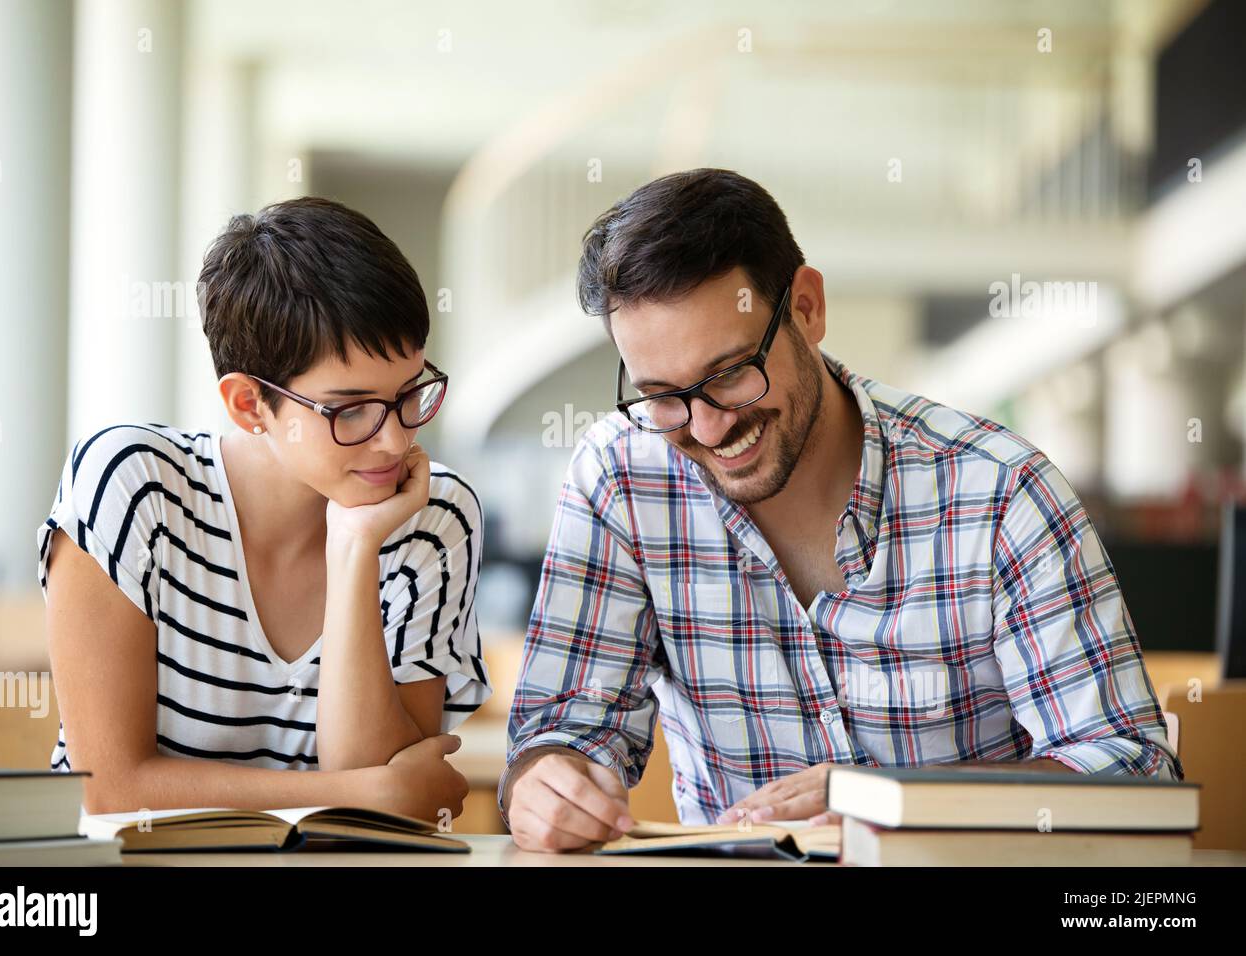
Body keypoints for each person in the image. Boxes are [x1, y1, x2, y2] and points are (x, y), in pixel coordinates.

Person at [500, 168, 1182, 852]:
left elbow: (1133, 774)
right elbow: (560, 735)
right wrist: (543, 781)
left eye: (732, 373)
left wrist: (895, 801)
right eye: (665, 396)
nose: (706, 430)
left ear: (806, 307)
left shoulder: (1000, 493)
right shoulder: (622, 478)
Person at [40, 197, 488, 821]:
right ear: (250, 404)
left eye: (409, 394)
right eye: (350, 409)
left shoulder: (434, 517)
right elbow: (109, 790)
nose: (396, 439)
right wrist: (355, 794)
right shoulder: (132, 485)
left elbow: (393, 814)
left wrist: (355, 547)